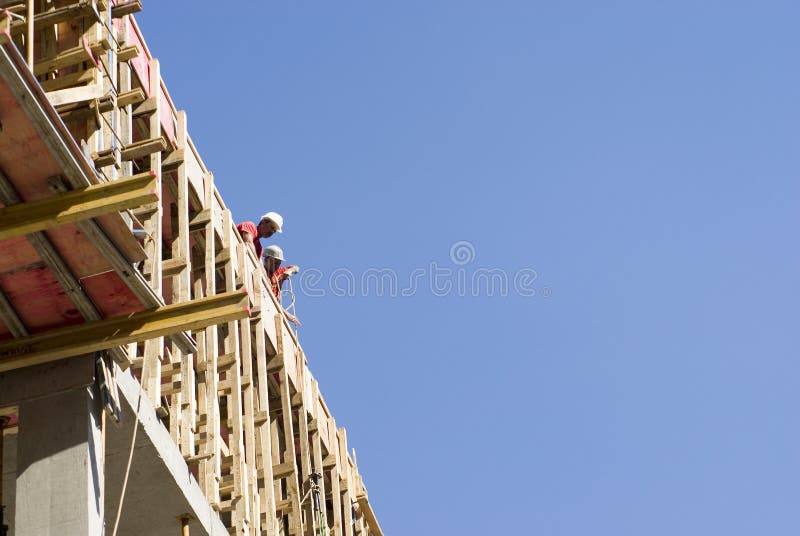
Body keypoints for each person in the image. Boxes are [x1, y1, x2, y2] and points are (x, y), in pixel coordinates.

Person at [263, 245, 300, 325]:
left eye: (278, 264)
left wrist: (290, 271)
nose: (276, 266)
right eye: (275, 263)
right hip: (266, 307)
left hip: (273, 307)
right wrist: (287, 315)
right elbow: (270, 300)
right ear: (266, 260)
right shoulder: (261, 272)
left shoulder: (279, 272)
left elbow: (296, 268)